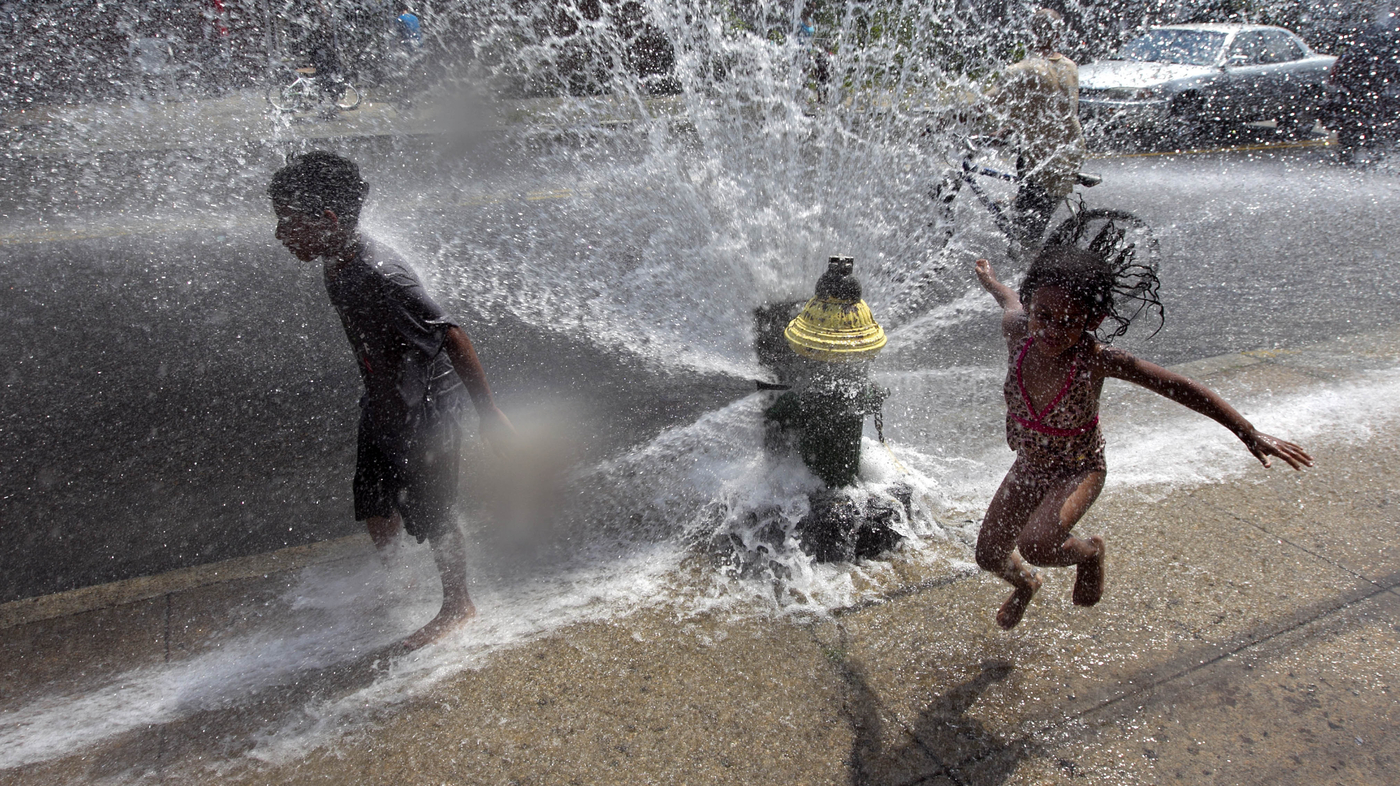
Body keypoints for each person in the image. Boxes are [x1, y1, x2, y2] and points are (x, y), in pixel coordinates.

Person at [972, 246, 1312, 630]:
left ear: (1093, 319)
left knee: (1037, 543)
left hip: (1078, 468)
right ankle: (1026, 585)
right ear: (1032, 306)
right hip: (1030, 464)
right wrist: (991, 281)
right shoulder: (1018, 330)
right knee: (989, 555)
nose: (1051, 330)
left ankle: (1090, 554)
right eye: (1044, 315)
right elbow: (1008, 298)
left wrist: (1248, 432)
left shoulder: (1096, 359)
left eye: (1068, 321)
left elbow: (1180, 386)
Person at [268, 151, 514, 650]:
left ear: (329, 220)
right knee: (375, 500)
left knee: (434, 511)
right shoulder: (337, 257)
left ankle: (458, 605)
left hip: (427, 406)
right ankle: (398, 580)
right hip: (383, 399)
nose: (279, 234)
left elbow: (452, 336)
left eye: (288, 222)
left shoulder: (381, 275)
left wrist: (489, 415)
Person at [985, 8, 1087, 243]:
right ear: (1059, 34)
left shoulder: (1023, 70)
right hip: (1070, 153)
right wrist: (1008, 129)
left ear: (1031, 33)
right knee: (1029, 213)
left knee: (1024, 239)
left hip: (1042, 162)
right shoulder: (1069, 66)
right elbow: (1052, 109)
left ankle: (1034, 261)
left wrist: (942, 121)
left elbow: (983, 106)